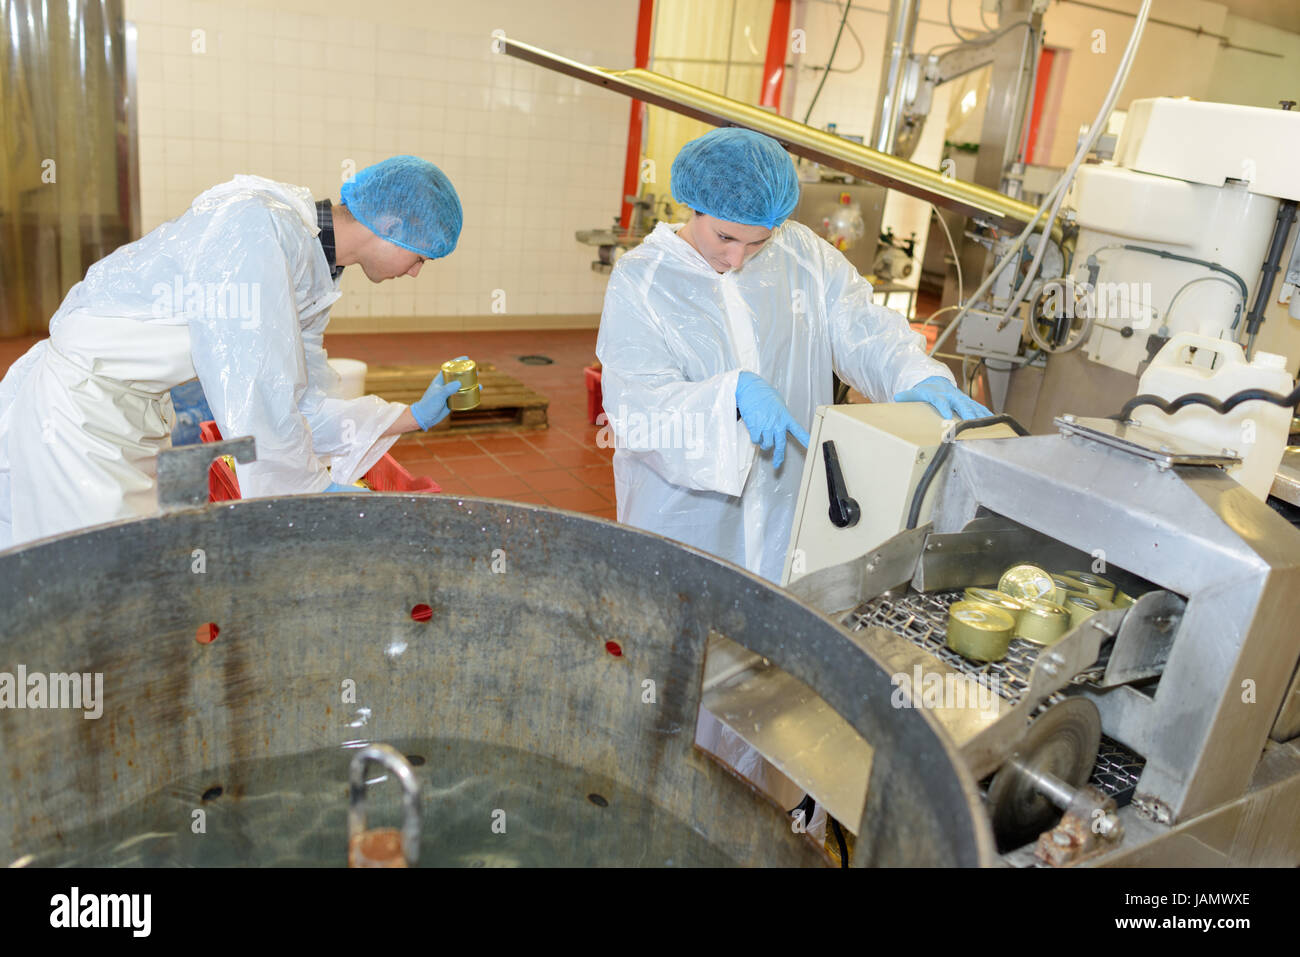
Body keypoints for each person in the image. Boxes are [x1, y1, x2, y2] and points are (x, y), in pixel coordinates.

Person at [596, 127, 990, 840]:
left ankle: (763, 827)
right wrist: (728, 397)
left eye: (757, 241)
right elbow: (638, 412)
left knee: (769, 684)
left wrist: (920, 378)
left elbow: (862, 327)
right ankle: (665, 825)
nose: (738, 257)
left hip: (784, 513)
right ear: (691, 206)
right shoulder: (644, 283)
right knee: (682, 678)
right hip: (687, 520)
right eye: (724, 239)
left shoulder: (803, 255)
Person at [0, 156, 469, 550]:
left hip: (128, 413)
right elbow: (256, 394)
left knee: (124, 573)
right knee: (91, 587)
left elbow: (298, 403)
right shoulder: (257, 228)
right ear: (389, 224)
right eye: (420, 257)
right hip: (78, 417)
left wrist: (411, 416)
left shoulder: (310, 269)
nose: (414, 273)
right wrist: (311, 489)